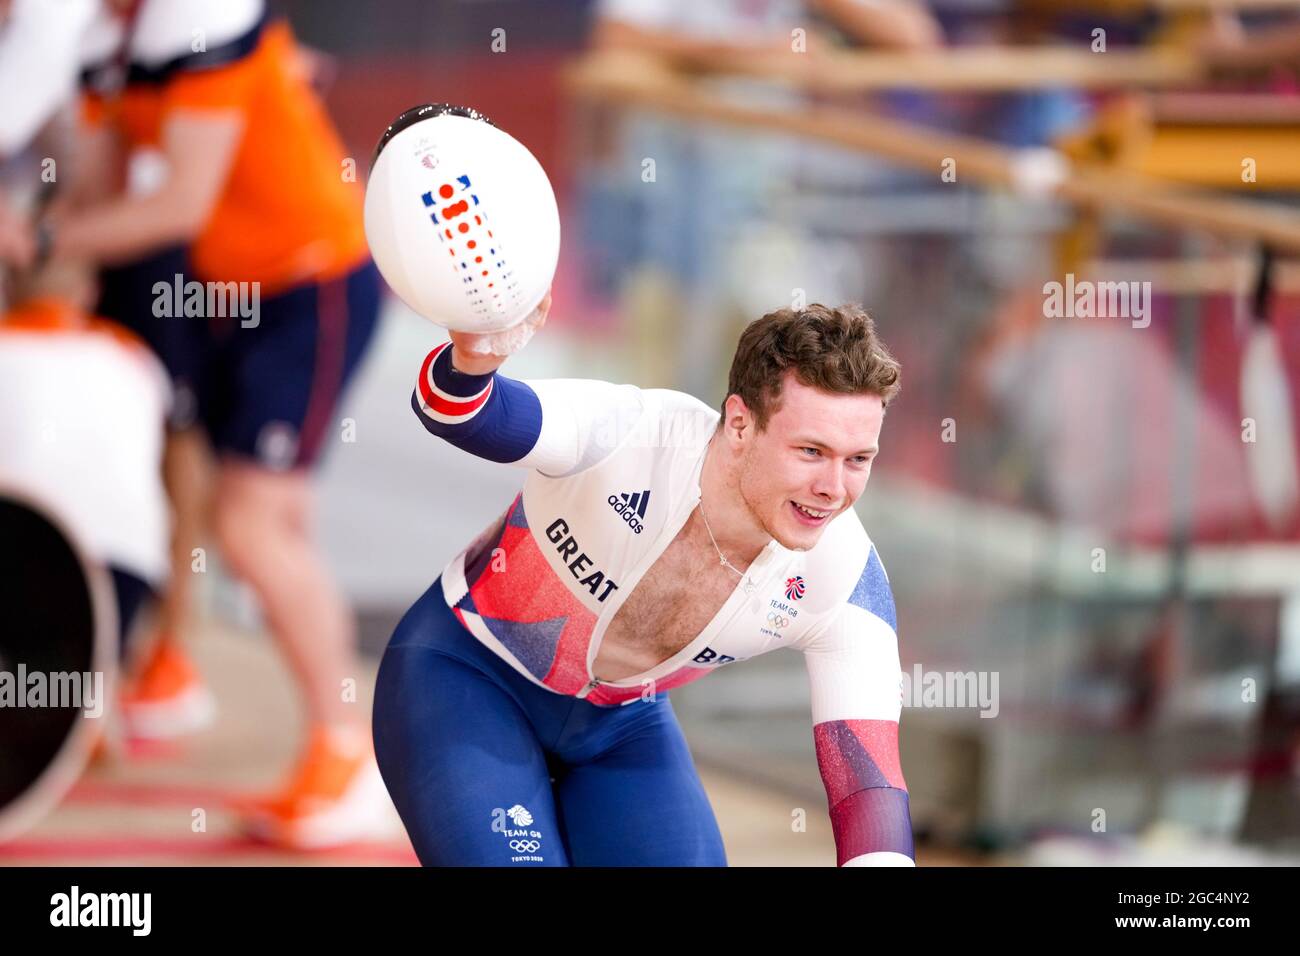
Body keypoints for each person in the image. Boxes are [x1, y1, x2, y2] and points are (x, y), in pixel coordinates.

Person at [0, 0, 388, 849]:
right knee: (258, 518)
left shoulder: (199, 14)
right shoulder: (96, 34)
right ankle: (305, 729)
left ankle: (350, 752)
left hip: (309, 282)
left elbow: (176, 203)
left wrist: (35, 232)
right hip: (237, 293)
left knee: (253, 525)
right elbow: (103, 185)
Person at [374, 301, 913, 866]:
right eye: (811, 451)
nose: (833, 488)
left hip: (621, 723)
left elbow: (867, 786)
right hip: (468, 676)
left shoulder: (845, 575)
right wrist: (472, 362)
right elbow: (461, 412)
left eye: (858, 459)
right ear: (739, 423)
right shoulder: (630, 434)